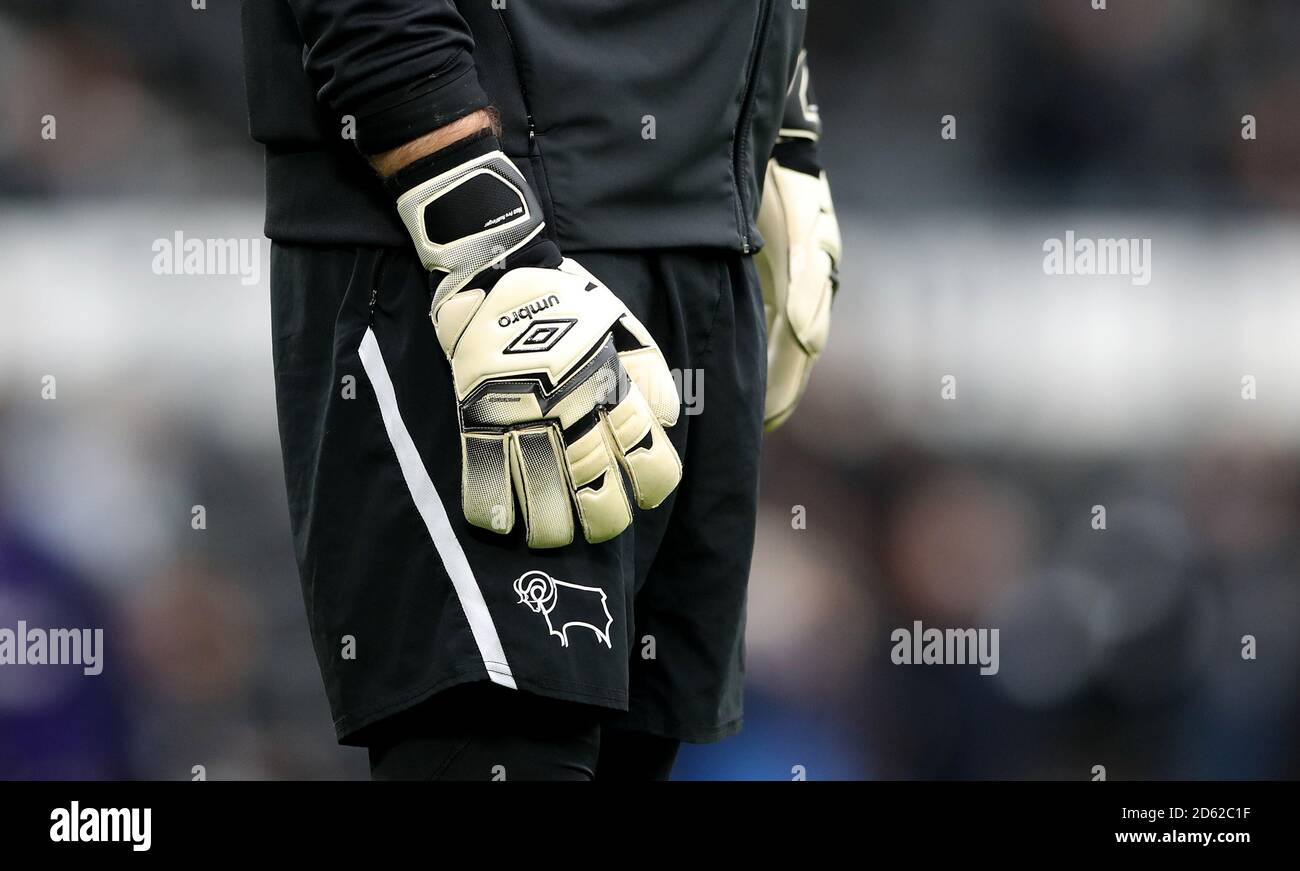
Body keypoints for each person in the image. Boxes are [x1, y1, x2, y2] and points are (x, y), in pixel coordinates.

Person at [240, 0, 841, 781]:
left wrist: (782, 113)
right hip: (471, 253)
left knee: (635, 746)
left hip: (698, 227)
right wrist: (477, 226)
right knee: (504, 744)